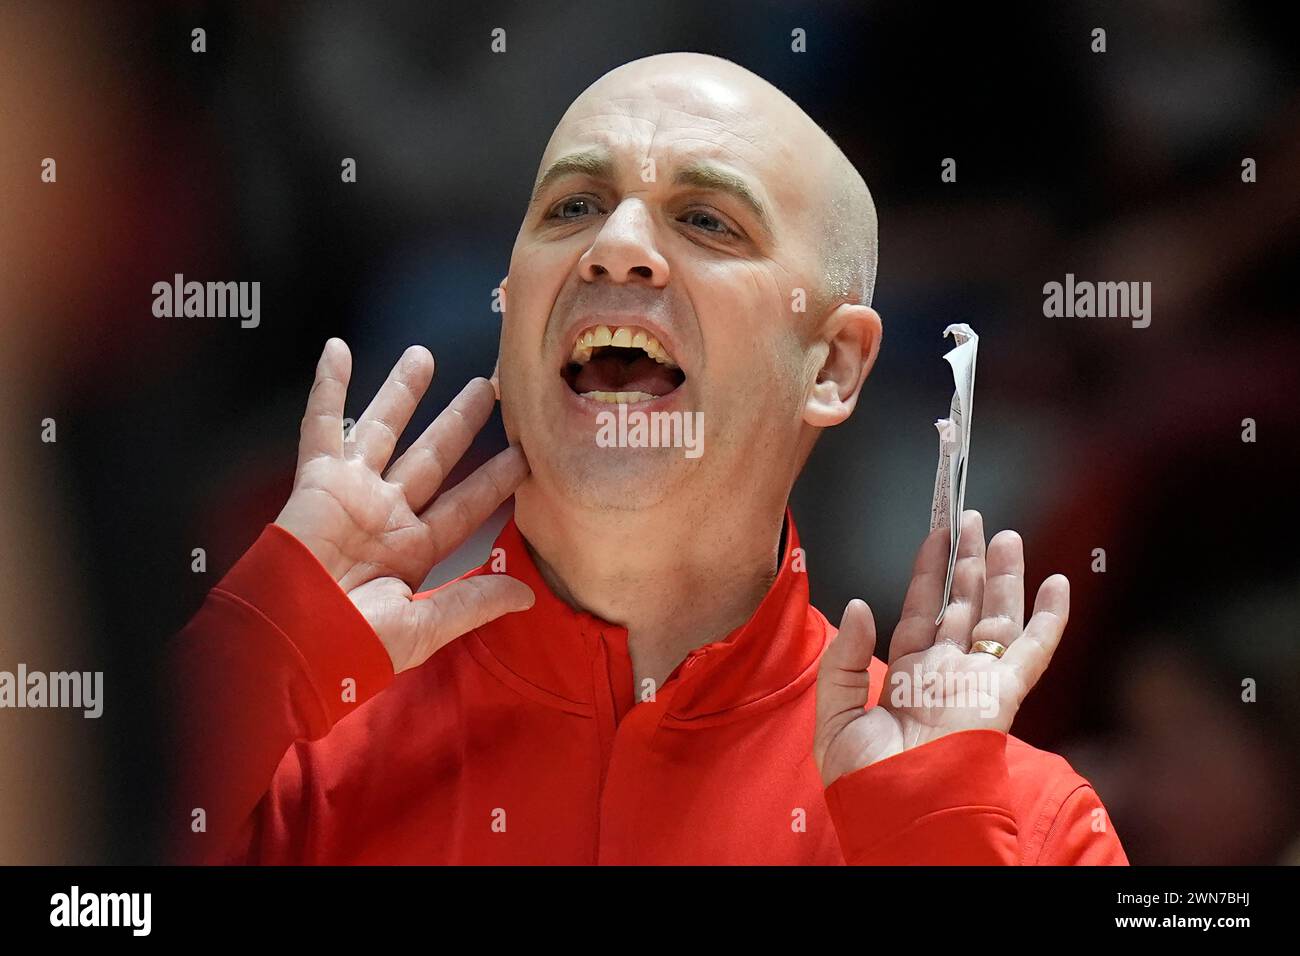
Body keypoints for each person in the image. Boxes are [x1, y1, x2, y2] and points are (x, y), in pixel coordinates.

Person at [167, 52, 1127, 864]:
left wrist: (936, 835)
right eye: (574, 206)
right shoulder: (292, 739)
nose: (616, 246)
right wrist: (250, 666)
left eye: (708, 221)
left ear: (831, 365)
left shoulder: (1020, 823)